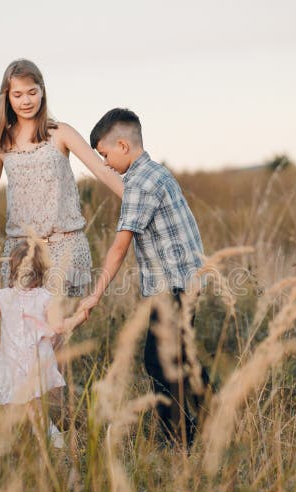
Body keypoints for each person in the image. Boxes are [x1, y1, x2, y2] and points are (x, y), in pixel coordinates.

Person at [78, 108, 208, 446]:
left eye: (105, 155)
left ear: (123, 145)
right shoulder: (156, 172)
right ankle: (213, 415)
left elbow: (120, 247)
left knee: (157, 360)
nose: (105, 164)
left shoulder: (139, 183)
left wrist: (94, 295)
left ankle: (179, 437)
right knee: (179, 356)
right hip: (184, 281)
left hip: (173, 286)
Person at [0, 59, 123, 297]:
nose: (26, 100)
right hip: (21, 249)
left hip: (64, 245)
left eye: (32, 92)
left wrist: (134, 198)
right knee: (23, 327)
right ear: (7, 97)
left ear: (42, 91)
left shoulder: (60, 132)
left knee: (56, 328)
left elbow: (101, 170)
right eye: (18, 95)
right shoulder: (0, 142)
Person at [0, 239, 84, 448]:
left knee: (21, 404)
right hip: (37, 361)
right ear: (40, 272)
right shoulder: (45, 297)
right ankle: (45, 439)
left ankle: (42, 440)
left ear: (13, 270)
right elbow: (58, 326)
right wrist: (79, 317)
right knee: (32, 405)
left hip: (12, 361)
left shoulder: (3, 297)